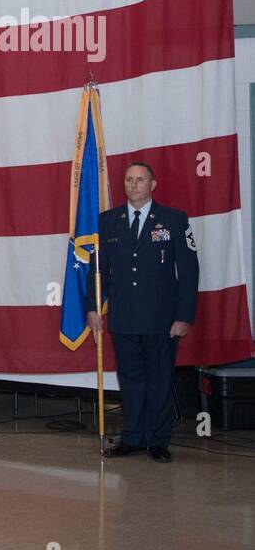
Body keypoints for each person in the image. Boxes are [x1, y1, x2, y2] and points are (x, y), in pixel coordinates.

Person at [86, 162, 198, 462]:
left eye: (140, 179)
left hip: (162, 318)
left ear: (153, 184)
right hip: (124, 316)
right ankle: (134, 436)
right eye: (129, 179)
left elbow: (189, 271)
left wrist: (184, 316)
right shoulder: (109, 220)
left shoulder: (174, 220)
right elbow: (99, 271)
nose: (133, 185)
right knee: (131, 379)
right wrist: (93, 307)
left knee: (160, 378)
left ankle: (158, 440)